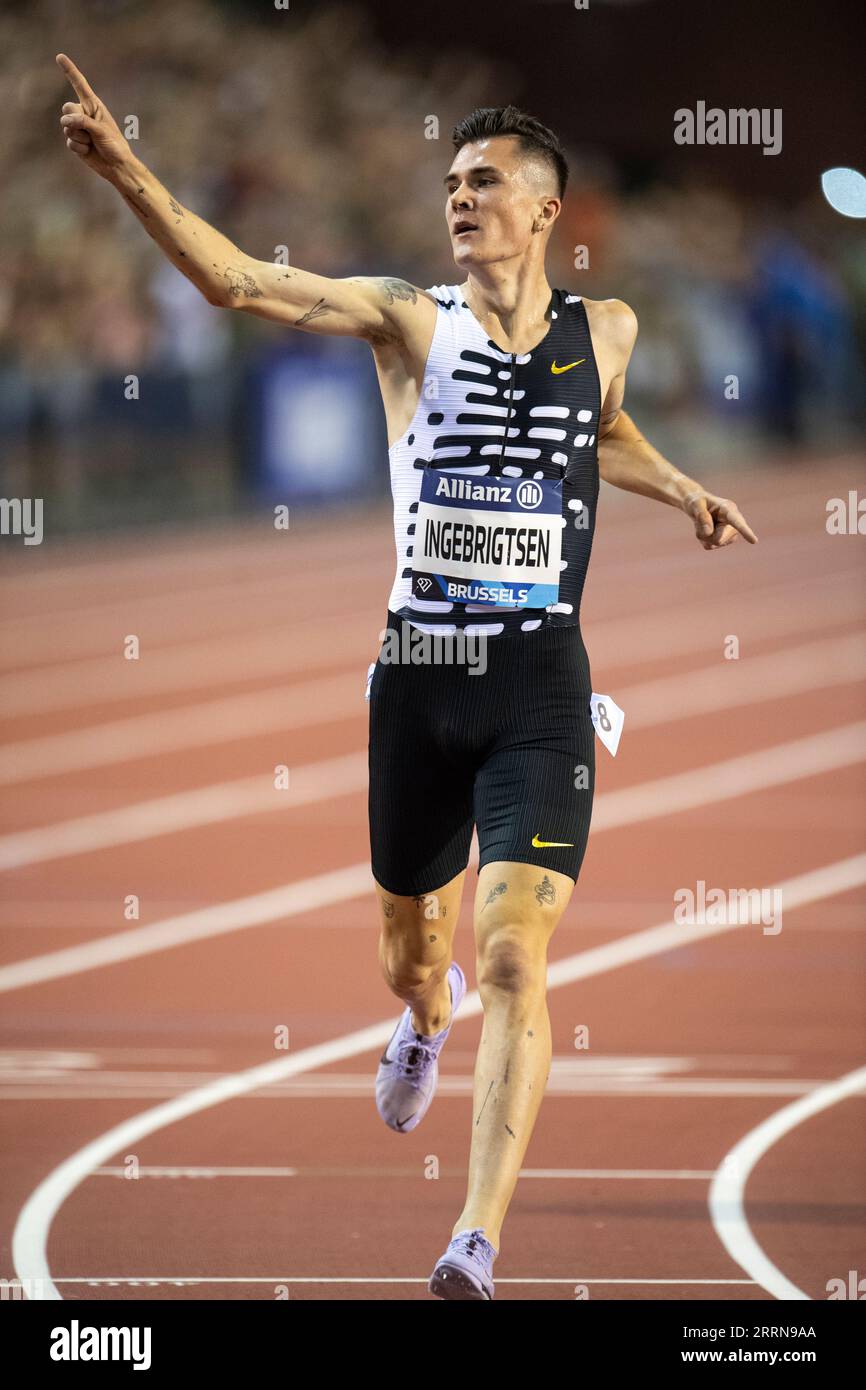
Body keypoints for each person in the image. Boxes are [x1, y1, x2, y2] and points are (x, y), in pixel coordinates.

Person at [57, 58, 758, 1300]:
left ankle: (473, 1238)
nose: (458, 196)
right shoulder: (405, 320)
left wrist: (682, 486)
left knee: (512, 955)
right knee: (412, 956)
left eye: (482, 180)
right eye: (449, 180)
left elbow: (600, 431)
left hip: (542, 683)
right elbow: (236, 279)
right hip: (418, 682)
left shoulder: (608, 331)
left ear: (544, 211)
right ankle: (419, 1023)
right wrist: (126, 172)